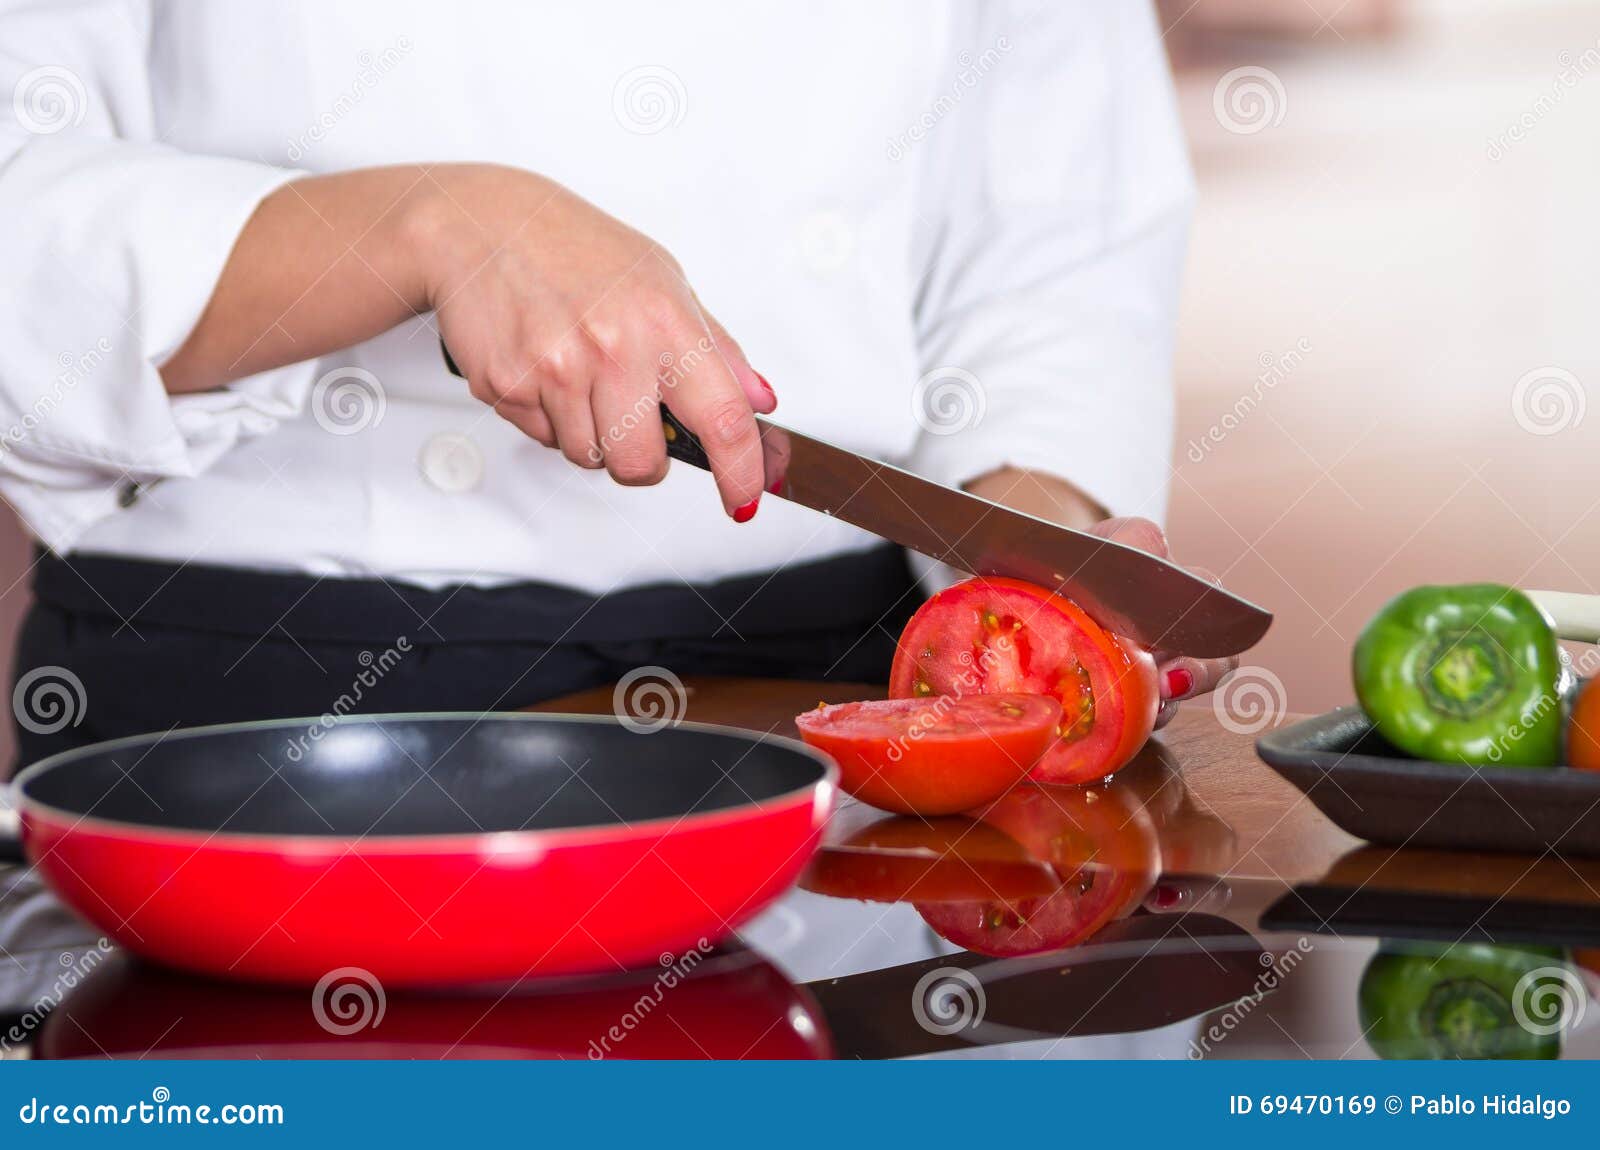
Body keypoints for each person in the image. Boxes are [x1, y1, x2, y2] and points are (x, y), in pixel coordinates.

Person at [0, 0, 1234, 767]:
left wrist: (1029, 541)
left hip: (841, 697)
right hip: (277, 699)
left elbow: (1057, 231)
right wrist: (425, 226)